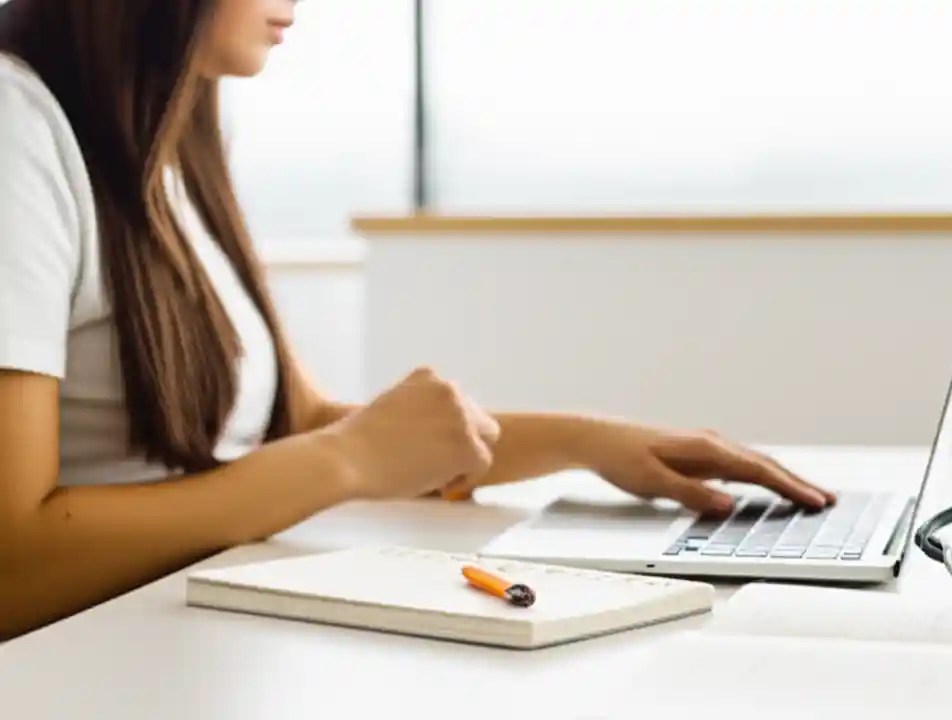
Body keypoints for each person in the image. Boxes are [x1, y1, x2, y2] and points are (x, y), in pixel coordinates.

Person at [0, 0, 832, 640]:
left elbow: (303, 422)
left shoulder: (176, 137)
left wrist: (588, 443)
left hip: (163, 634)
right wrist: (343, 461)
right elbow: (14, 563)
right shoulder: (17, 126)